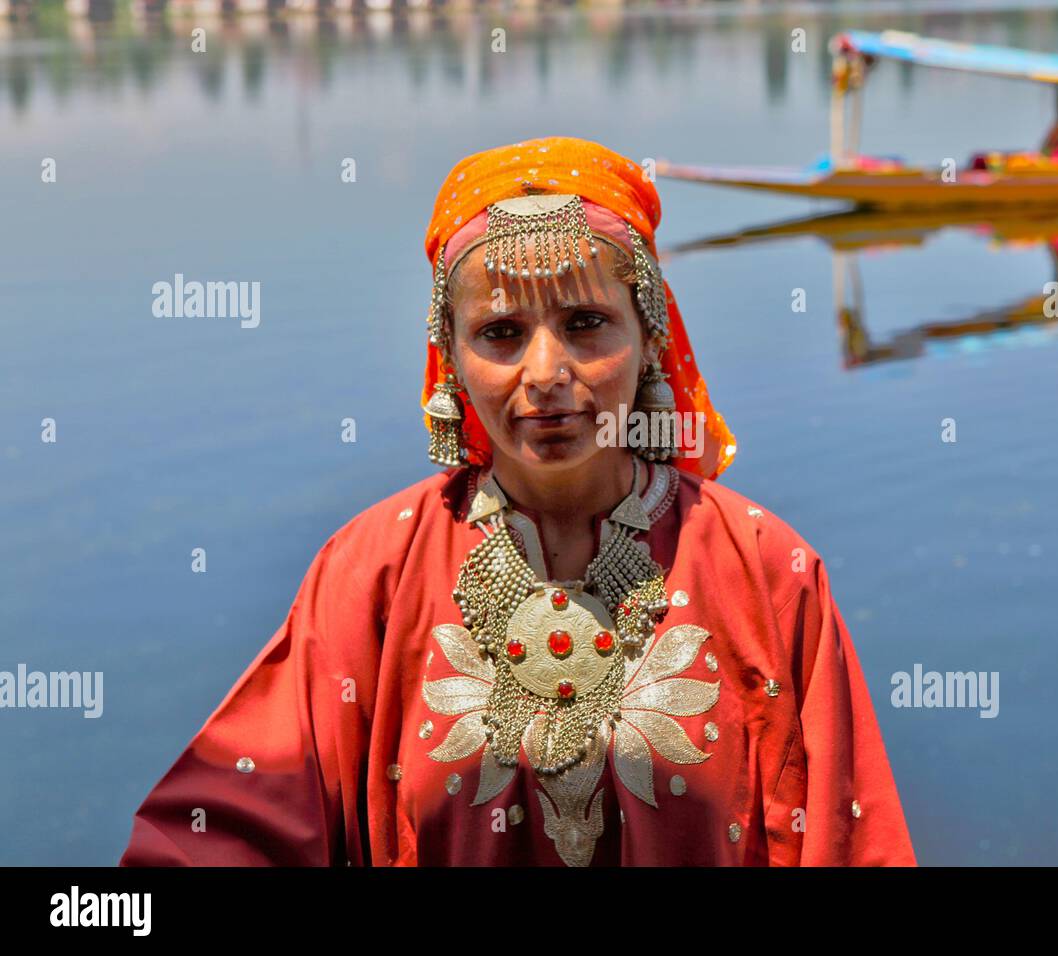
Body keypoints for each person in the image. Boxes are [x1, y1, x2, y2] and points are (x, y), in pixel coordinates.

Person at [119, 136, 916, 867]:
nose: (546, 373)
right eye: (501, 333)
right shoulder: (372, 574)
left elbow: (852, 841)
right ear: (450, 359)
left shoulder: (766, 570)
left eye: (586, 323)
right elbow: (225, 828)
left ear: (650, 339)